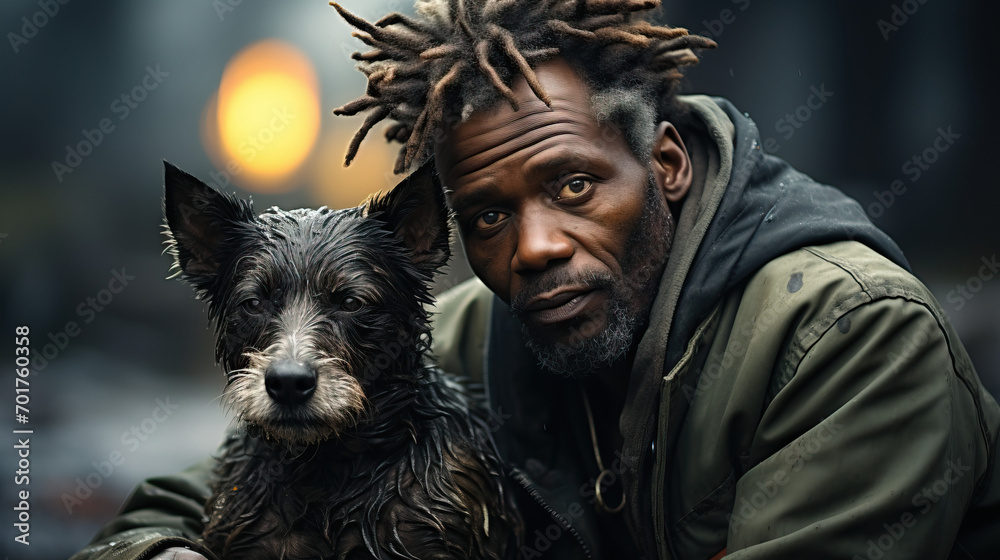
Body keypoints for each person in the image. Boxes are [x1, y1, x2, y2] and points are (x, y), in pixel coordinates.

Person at [72, 1, 1000, 559]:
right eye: (486, 215)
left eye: (574, 184)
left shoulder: (852, 340)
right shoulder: (480, 327)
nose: (537, 246)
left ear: (666, 163)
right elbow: (188, 498)